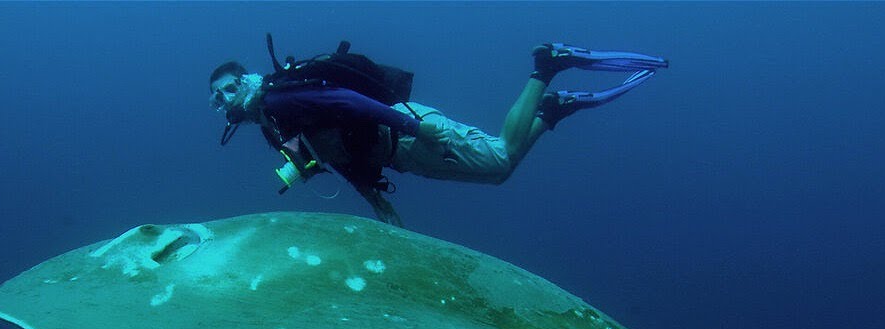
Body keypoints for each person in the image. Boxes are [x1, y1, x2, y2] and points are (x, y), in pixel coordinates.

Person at [209, 42, 667, 226]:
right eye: (217, 98)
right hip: (402, 151)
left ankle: (544, 71)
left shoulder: (279, 102)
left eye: (229, 88)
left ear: (244, 80)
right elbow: (336, 152)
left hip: (411, 134)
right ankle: (550, 112)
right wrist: (376, 201)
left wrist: (416, 129)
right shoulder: (274, 124)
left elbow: (344, 104)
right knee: (498, 171)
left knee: (501, 161)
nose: (225, 100)